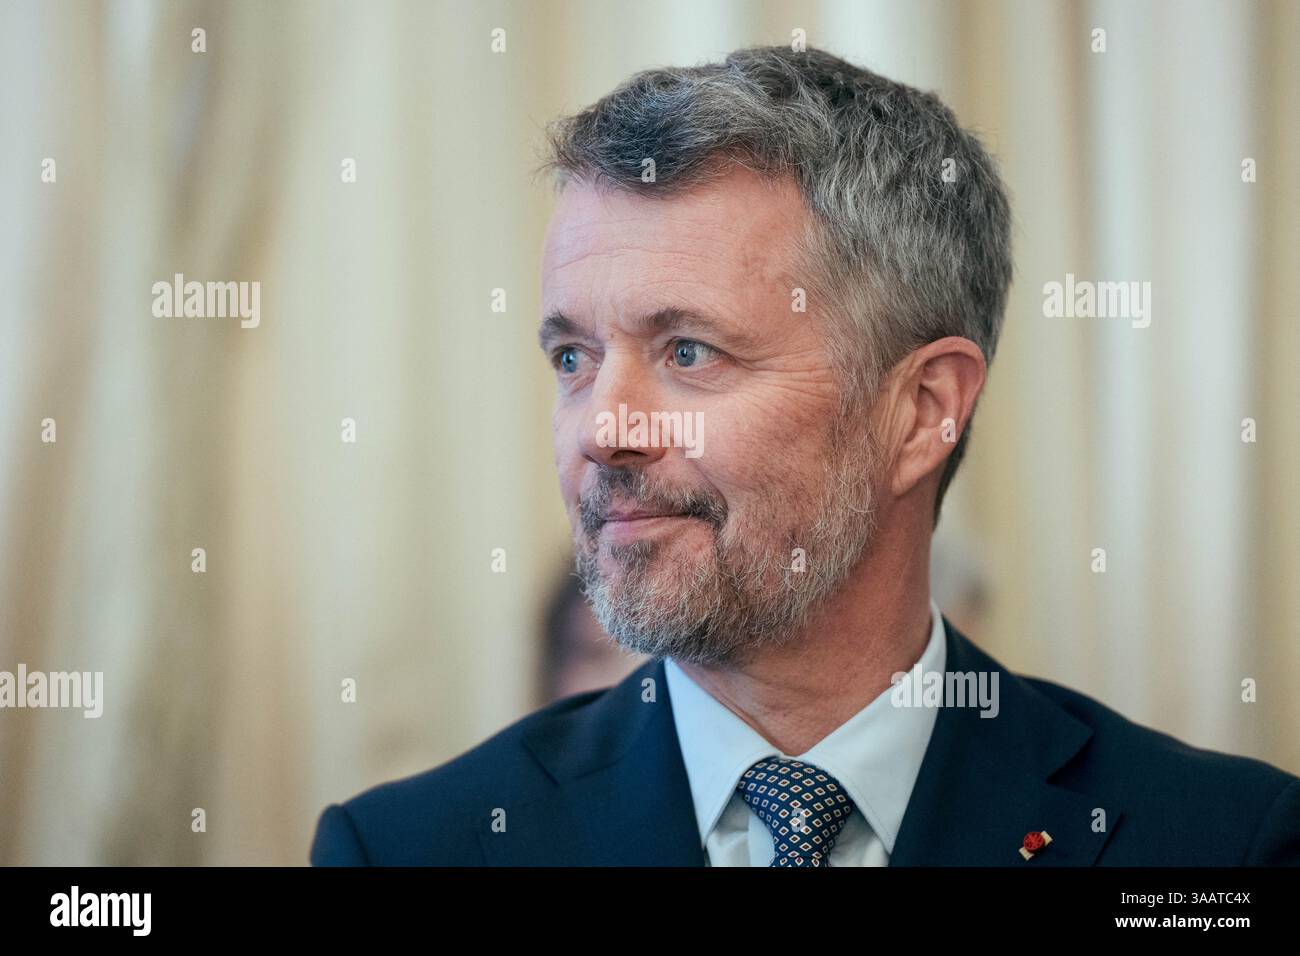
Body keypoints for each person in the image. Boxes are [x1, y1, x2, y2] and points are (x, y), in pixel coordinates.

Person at [311, 46, 1300, 866]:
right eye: (573, 356)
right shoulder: (410, 849)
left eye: (687, 350)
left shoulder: (1214, 847)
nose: (599, 429)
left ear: (919, 411)